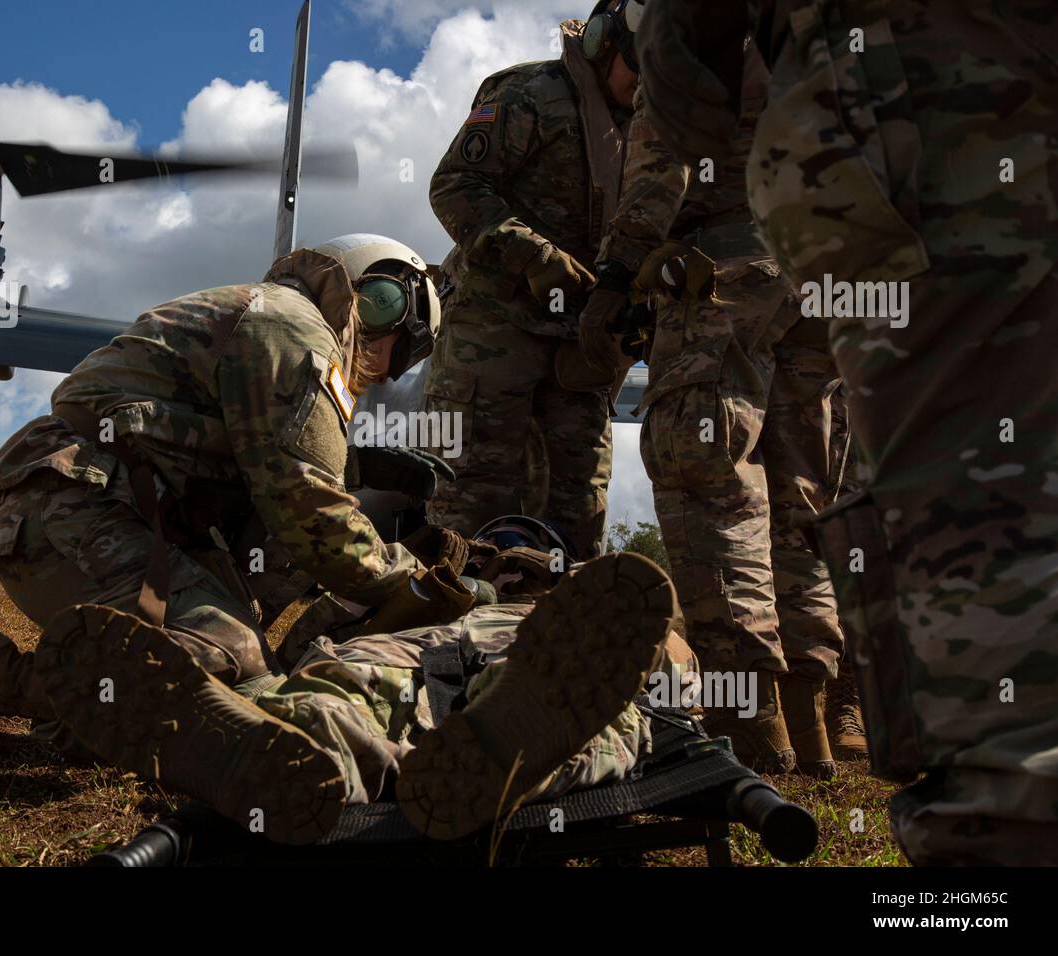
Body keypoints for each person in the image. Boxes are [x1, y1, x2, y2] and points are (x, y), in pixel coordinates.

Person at [635, 0, 1058, 864]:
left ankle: (762, 733)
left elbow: (685, 94)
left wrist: (617, 271)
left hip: (882, 138)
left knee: (723, 473)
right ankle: (824, 727)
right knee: (811, 496)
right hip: (853, 214)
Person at [0, 235, 462, 786]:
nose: (390, 372)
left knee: (227, 685)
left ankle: (78, 710)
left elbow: (233, 448)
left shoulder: (270, 317)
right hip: (74, 511)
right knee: (229, 664)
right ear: (381, 300)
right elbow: (307, 508)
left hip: (84, 508)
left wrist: (361, 469)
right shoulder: (295, 327)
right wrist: (409, 579)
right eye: (404, 348)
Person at [578, 0, 845, 776]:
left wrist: (617, 276)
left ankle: (745, 714)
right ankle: (808, 709)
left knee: (702, 465)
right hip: (825, 277)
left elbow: (664, 161)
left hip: (732, 266)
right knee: (800, 493)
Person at [34, 549, 680, 843]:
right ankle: (491, 761)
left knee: (346, 686)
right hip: (454, 650)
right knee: (597, 720)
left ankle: (308, 742)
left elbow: (662, 662)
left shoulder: (601, 621)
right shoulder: (594, 619)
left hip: (450, 651)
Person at [421, 3, 640, 559]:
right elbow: (454, 185)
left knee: (577, 518)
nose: (647, 84)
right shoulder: (531, 94)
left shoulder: (654, 132)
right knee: (467, 504)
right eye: (642, 64)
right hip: (493, 334)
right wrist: (536, 258)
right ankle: (441, 640)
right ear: (603, 43)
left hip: (580, 354)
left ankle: (561, 640)